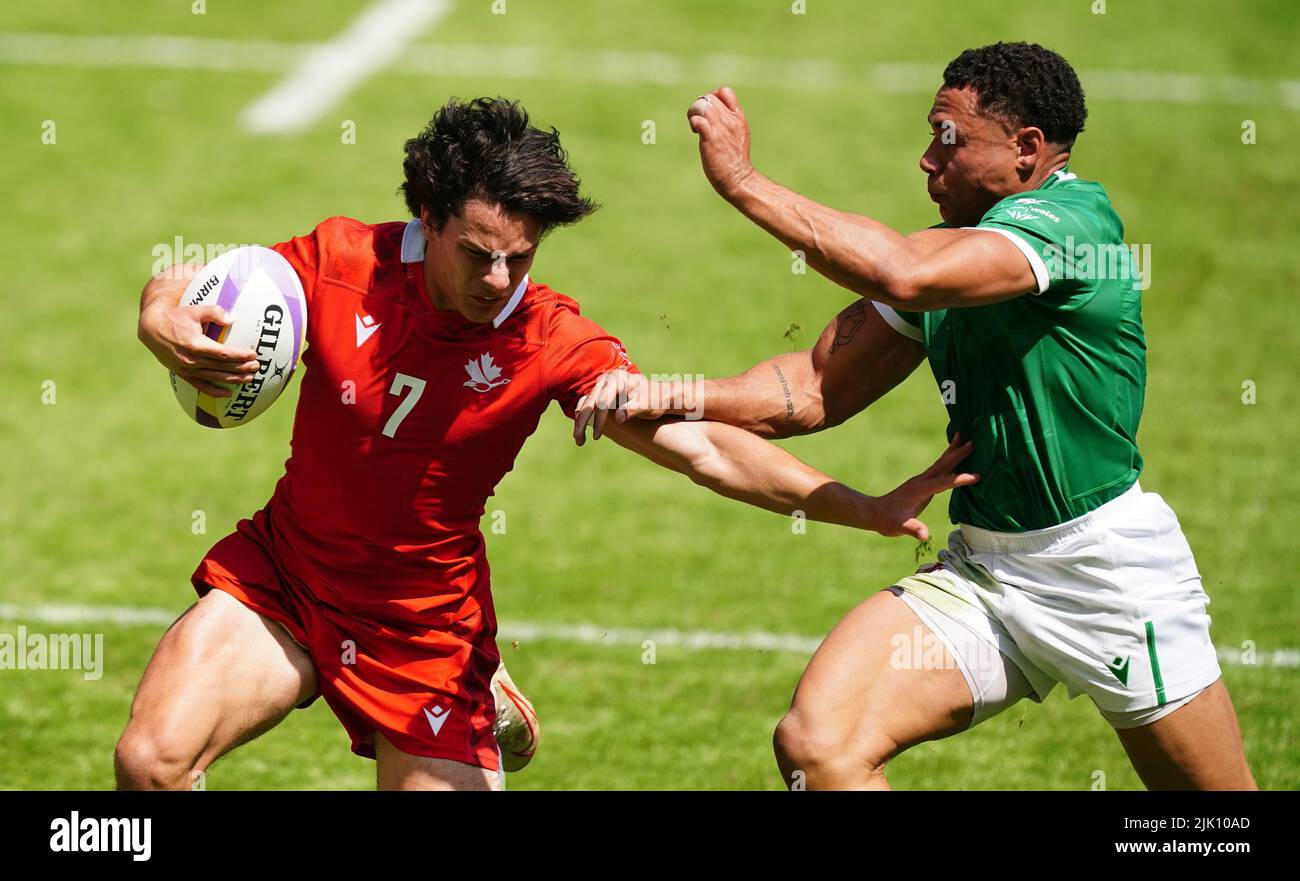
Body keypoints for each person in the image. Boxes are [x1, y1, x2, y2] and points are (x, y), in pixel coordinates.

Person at [119, 96, 972, 791]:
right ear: (427, 217)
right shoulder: (344, 260)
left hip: (423, 630)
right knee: (148, 763)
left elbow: (704, 448)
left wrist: (859, 506)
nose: (498, 281)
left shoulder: (549, 338)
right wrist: (161, 316)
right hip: (290, 573)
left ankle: (478, 689)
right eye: (478, 254)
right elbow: (207, 283)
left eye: (518, 259)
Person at [576, 43, 1254, 790]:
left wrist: (742, 182)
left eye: (949, 137)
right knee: (819, 745)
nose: (927, 159)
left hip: (1105, 572)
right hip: (990, 574)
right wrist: (662, 391)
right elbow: (813, 388)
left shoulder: (1071, 226)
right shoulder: (949, 256)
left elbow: (905, 271)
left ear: (1027, 149)